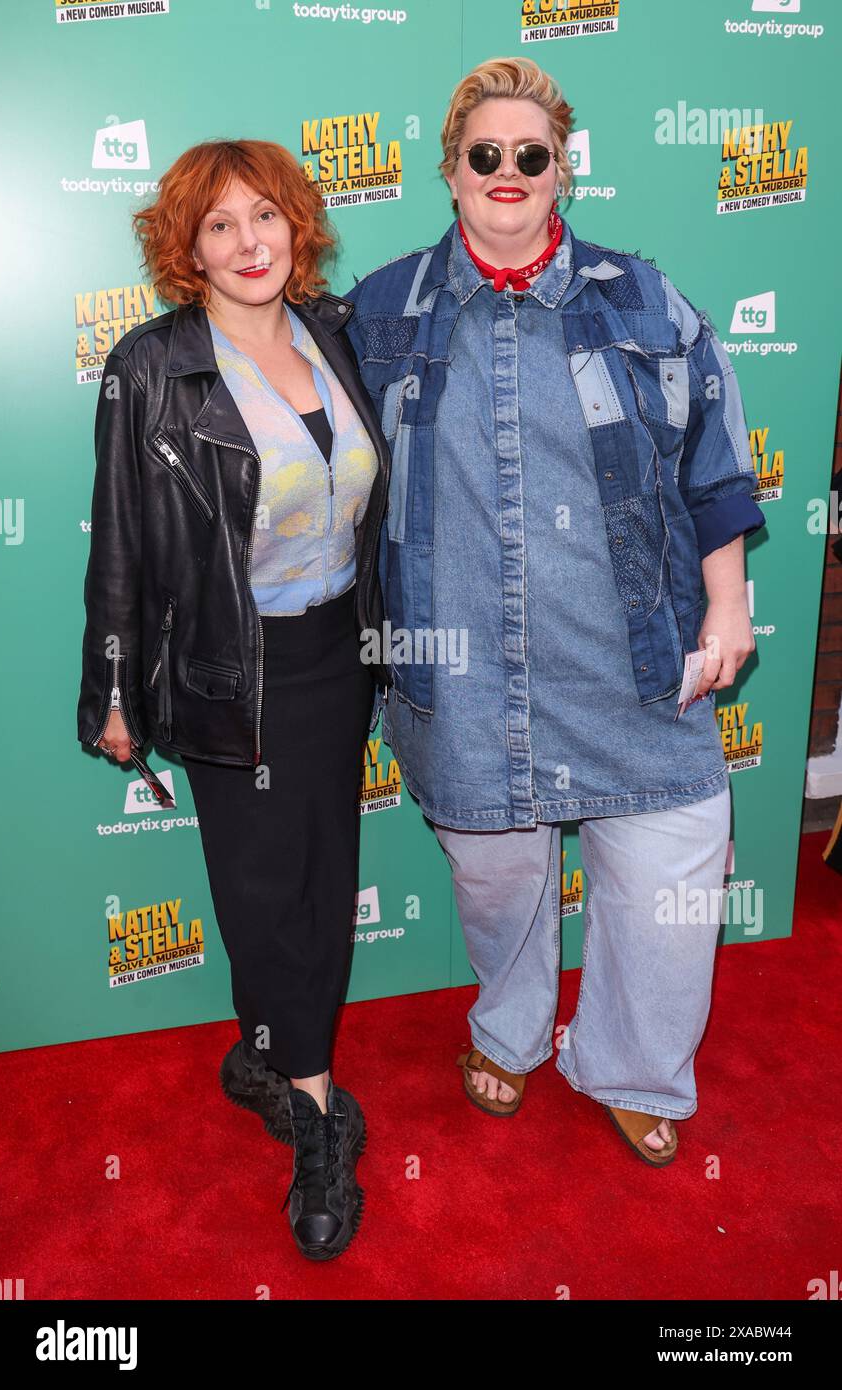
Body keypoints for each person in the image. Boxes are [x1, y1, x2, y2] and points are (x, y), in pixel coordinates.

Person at [345, 58, 766, 1166]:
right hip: (464, 676)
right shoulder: (383, 310)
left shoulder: (642, 296)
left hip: (634, 658)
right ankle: (512, 1028)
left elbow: (712, 465)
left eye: (531, 155)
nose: (507, 172)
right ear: (449, 171)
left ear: (562, 171)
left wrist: (727, 605)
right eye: (484, 154)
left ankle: (630, 1062)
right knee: (498, 889)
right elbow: (323, 469)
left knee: (668, 884)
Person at [76, 139, 390, 1254]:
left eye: (266, 216)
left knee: (324, 874)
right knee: (268, 899)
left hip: (338, 660)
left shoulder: (341, 337)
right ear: (186, 249)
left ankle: (263, 1053)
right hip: (226, 668)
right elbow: (121, 539)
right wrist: (113, 685)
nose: (249, 242)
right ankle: (313, 1118)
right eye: (220, 225)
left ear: (297, 225)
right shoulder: (154, 364)